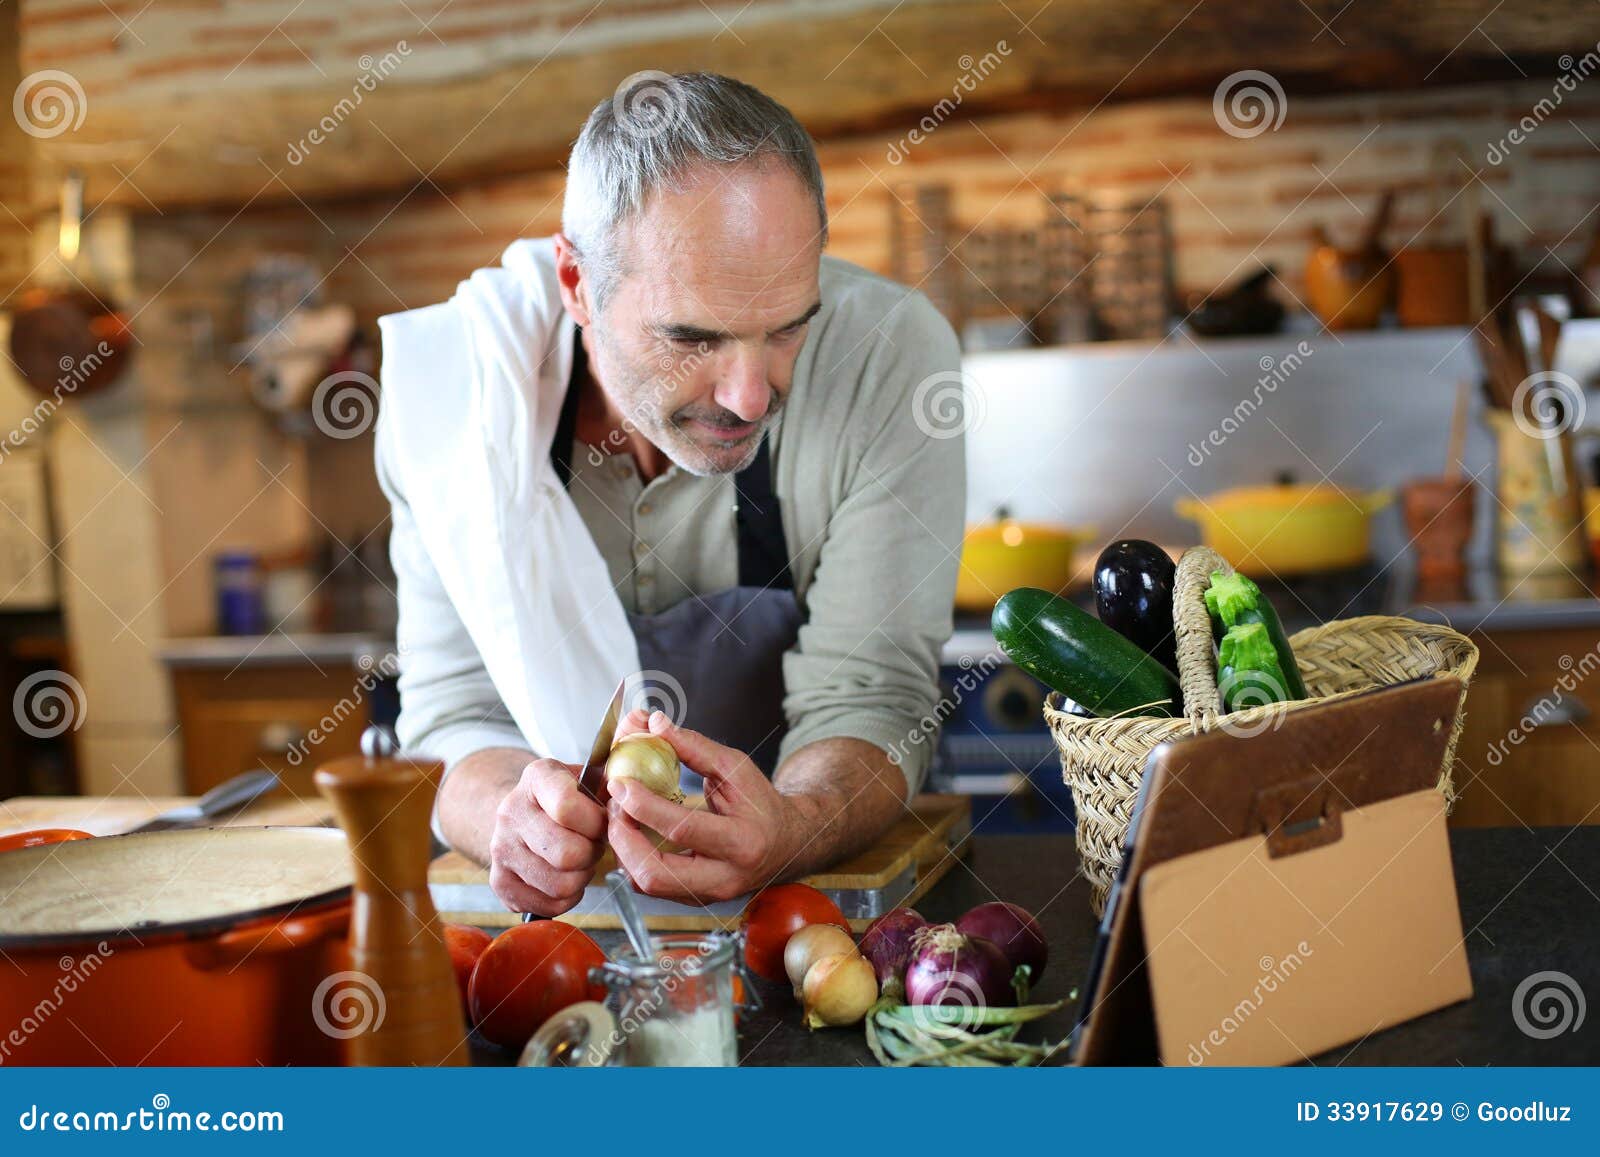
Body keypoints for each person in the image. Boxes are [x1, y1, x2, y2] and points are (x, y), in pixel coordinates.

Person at [375, 72, 964, 916]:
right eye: (693, 337)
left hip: (811, 909)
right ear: (577, 285)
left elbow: (875, 694)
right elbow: (452, 717)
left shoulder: (891, 359)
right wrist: (510, 812)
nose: (750, 397)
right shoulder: (452, 399)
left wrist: (792, 823)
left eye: (788, 326)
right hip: (567, 933)